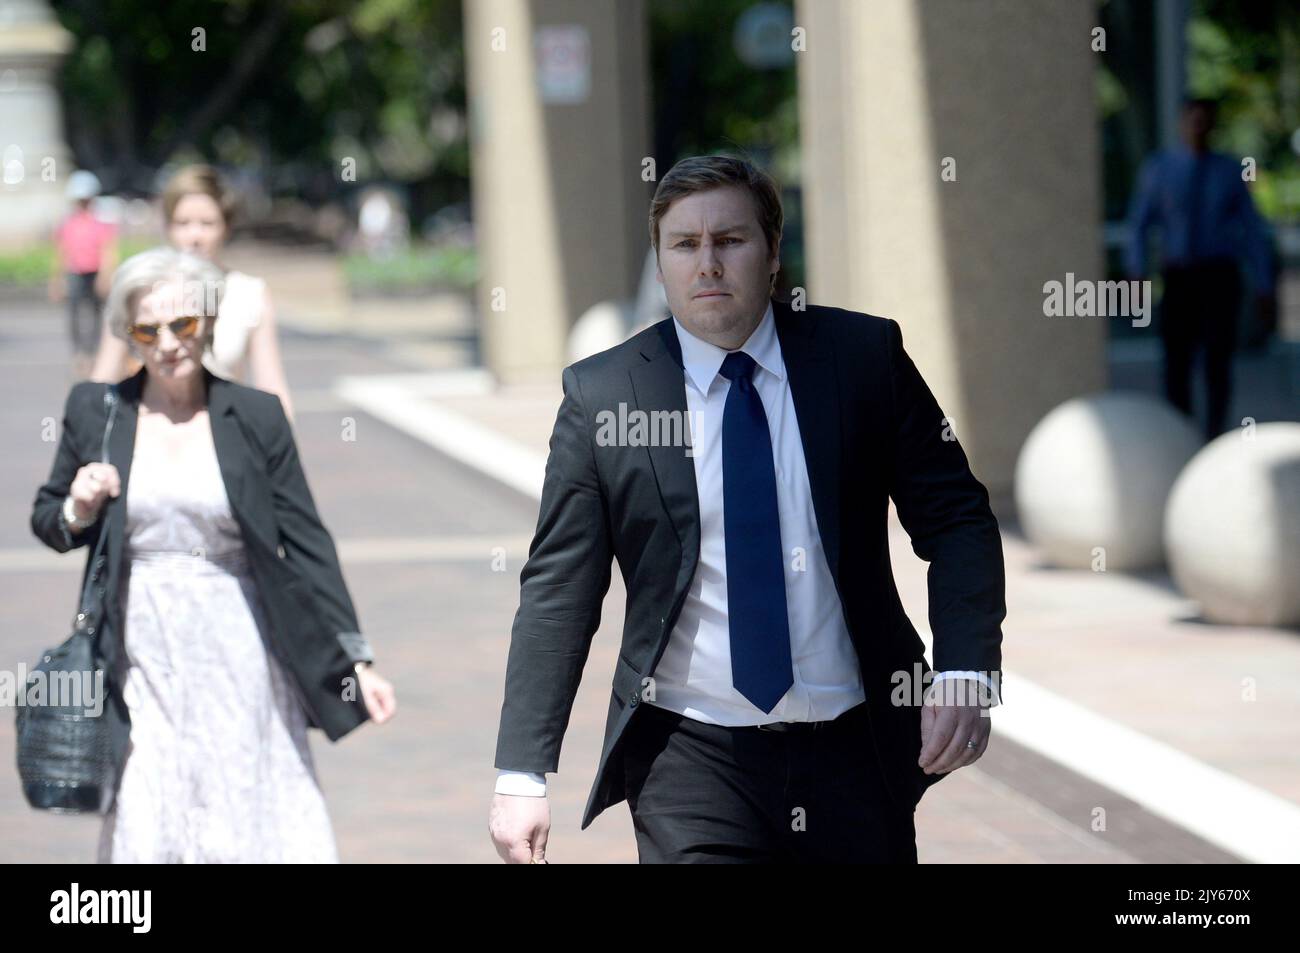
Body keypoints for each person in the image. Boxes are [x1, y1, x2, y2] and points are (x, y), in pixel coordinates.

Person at [489, 155, 1005, 864]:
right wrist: (521, 772)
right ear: (661, 263)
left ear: (772, 253)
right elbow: (560, 588)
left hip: (856, 749)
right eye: (684, 244)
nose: (707, 263)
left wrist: (965, 670)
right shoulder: (605, 396)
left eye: (730, 240)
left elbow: (957, 518)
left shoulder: (861, 359)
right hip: (689, 757)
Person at [31, 247, 396, 863]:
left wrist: (354, 659)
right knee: (151, 791)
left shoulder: (255, 416)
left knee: (240, 785)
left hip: (240, 641)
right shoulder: (98, 410)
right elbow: (49, 520)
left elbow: (307, 540)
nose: (168, 343)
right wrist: (79, 506)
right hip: (138, 644)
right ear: (127, 334)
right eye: (147, 330)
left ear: (208, 322)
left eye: (182, 324)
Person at [90, 164, 296, 421]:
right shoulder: (137, 290)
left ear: (226, 226)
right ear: (167, 226)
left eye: (207, 223)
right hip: (149, 430)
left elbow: (272, 387)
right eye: (183, 223)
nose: (195, 235)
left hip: (226, 431)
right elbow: (102, 380)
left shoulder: (249, 293)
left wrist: (282, 438)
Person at [1126, 97, 1277, 441]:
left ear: (1212, 125)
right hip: (1180, 276)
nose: (1198, 127)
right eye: (1193, 120)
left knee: (1217, 360)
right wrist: (1136, 271)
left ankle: (1214, 435)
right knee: (1176, 362)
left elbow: (1252, 230)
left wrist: (1264, 284)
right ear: (1182, 124)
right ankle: (1179, 434)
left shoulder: (1229, 171)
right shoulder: (1160, 168)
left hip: (1218, 275)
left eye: (1204, 120)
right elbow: (1139, 224)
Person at [49, 170, 119, 378]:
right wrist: (57, 279)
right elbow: (61, 252)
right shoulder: (68, 223)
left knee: (96, 314)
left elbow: (108, 250)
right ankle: (79, 352)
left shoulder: (101, 223)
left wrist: (106, 275)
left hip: (94, 272)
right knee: (74, 314)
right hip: (75, 272)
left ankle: (93, 351)